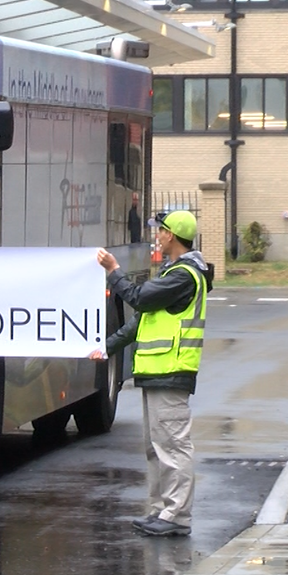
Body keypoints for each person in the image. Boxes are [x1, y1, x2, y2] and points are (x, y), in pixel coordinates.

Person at [92, 210, 212, 537]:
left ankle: (176, 516)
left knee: (173, 447)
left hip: (171, 372)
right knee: (156, 446)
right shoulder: (173, 271)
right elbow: (139, 323)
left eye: (161, 231)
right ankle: (161, 510)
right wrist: (106, 348)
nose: (157, 236)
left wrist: (114, 272)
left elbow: (139, 299)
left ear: (172, 235)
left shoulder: (184, 275)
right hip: (157, 372)